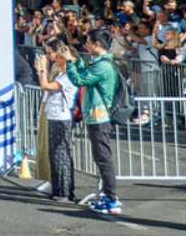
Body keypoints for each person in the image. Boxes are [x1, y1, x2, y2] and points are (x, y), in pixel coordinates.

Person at [64, 29, 124, 216]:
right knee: (101, 158)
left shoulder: (103, 66)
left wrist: (69, 63)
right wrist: (76, 61)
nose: (86, 46)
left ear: (97, 45)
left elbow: (80, 79)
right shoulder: (98, 63)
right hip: (94, 115)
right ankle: (108, 196)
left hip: (100, 117)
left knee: (103, 158)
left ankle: (111, 198)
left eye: (88, 42)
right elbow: (86, 75)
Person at [35, 41, 78, 204]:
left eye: (60, 57)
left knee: (61, 155)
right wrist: (41, 71)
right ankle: (58, 189)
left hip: (62, 117)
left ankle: (65, 192)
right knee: (55, 154)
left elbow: (46, 85)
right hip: (54, 115)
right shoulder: (61, 74)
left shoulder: (69, 76)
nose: (56, 60)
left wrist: (42, 70)